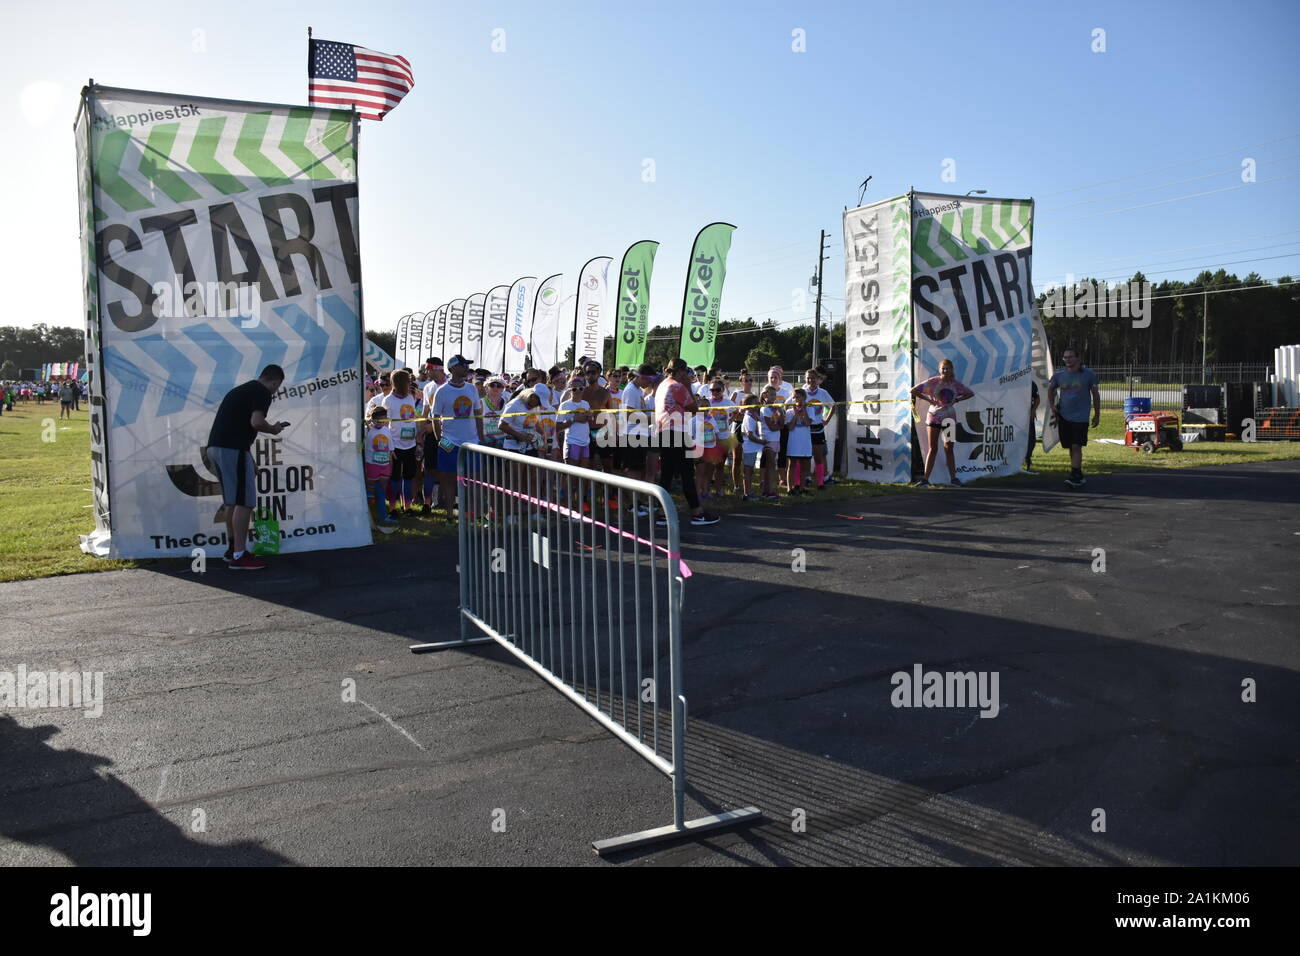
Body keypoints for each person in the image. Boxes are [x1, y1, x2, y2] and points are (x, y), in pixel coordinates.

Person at [206, 364, 286, 570]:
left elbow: (235, 427)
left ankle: (233, 549)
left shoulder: (241, 390)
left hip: (217, 448)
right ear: (275, 382)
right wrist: (274, 429)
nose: (275, 392)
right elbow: (257, 422)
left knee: (232, 501)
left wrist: (249, 460)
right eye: (276, 388)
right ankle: (239, 556)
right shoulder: (262, 392)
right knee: (245, 502)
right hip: (232, 450)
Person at [654, 358, 719, 526]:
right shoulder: (678, 386)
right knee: (686, 473)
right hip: (677, 432)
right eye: (685, 372)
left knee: (667, 475)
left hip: (663, 431)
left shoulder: (662, 385)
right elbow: (694, 408)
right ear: (681, 371)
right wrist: (688, 385)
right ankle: (697, 513)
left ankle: (661, 514)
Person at [910, 358, 975, 487]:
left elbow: (970, 393)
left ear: (952, 370)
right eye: (943, 368)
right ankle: (925, 479)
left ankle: (954, 479)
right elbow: (913, 390)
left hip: (949, 419)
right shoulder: (933, 382)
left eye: (948, 368)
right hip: (933, 418)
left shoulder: (955, 384)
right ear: (939, 369)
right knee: (933, 448)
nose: (945, 370)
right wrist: (928, 400)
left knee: (949, 448)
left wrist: (957, 400)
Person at [1048, 347, 1100, 487]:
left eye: (1071, 357)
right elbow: (1050, 388)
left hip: (1081, 416)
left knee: (1077, 445)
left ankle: (1075, 474)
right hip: (1064, 416)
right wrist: (1052, 405)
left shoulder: (1088, 374)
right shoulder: (1059, 375)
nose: (1067, 360)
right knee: (1071, 446)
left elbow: (1095, 394)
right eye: (1065, 357)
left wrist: (1097, 414)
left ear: (1078, 358)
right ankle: (1077, 472)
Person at [381, 369, 422, 514]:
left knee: (408, 476)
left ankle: (407, 506)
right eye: (407, 381)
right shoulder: (388, 400)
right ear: (399, 383)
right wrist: (390, 447)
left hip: (410, 444)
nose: (410, 384)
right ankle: (392, 507)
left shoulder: (410, 397)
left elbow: (413, 420)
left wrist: (418, 440)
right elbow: (386, 425)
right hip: (395, 445)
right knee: (395, 477)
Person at [363, 406, 398, 534]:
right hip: (372, 465)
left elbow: (390, 448)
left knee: (381, 491)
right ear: (373, 419)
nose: (380, 422)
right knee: (370, 493)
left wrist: (391, 460)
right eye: (378, 420)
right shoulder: (368, 431)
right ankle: (365, 516)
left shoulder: (387, 430)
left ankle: (384, 516)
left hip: (384, 465)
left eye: (383, 419)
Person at [804, 369, 834, 490]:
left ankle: (821, 481)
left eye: (813, 378)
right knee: (805, 456)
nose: (810, 380)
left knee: (819, 456)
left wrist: (826, 420)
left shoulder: (822, 393)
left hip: (818, 429)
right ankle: (806, 478)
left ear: (817, 379)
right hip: (805, 429)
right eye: (808, 378)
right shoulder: (802, 392)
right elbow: (787, 404)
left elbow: (833, 406)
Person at [557, 374, 592, 467]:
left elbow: (589, 422)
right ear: (569, 390)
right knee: (570, 476)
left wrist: (589, 417)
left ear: (583, 389)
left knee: (584, 474)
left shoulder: (586, 404)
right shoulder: (564, 405)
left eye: (580, 388)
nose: (578, 391)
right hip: (572, 442)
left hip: (585, 442)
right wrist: (574, 419)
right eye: (574, 389)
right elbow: (557, 427)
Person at [785, 388, 814, 494]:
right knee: (791, 465)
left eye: (799, 397)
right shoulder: (789, 412)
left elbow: (807, 423)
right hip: (794, 441)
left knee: (804, 465)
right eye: (794, 397)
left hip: (805, 441)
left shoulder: (810, 409)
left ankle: (801, 488)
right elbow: (790, 427)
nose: (796, 399)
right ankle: (790, 488)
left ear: (804, 398)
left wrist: (804, 410)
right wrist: (796, 415)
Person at [1023, 379, 1040, 474]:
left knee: (1030, 439)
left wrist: (1033, 410)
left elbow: (1037, 398)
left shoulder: (1031, 383)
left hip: (1027, 415)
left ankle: (1028, 457)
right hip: (1013, 415)